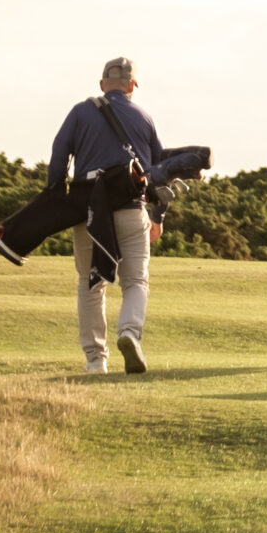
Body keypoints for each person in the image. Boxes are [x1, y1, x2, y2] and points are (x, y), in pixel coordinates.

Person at [45, 57, 167, 375]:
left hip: (89, 211)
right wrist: (159, 216)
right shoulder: (145, 118)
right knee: (135, 280)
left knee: (91, 284)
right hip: (132, 209)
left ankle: (96, 360)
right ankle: (129, 332)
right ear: (131, 86)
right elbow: (158, 173)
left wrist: (56, 200)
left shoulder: (81, 111)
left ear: (102, 84)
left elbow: (58, 159)